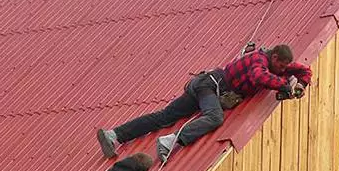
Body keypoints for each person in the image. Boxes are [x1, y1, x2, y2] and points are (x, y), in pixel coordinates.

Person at [96, 44, 312, 162]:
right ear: (274, 57)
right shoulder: (259, 60)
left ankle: (114, 135)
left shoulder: (277, 65)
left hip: (204, 86)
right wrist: (284, 86)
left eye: (285, 67)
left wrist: (301, 83)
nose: (284, 70)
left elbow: (304, 70)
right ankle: (171, 141)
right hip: (209, 85)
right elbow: (259, 77)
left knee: (164, 116)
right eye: (281, 65)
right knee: (215, 117)